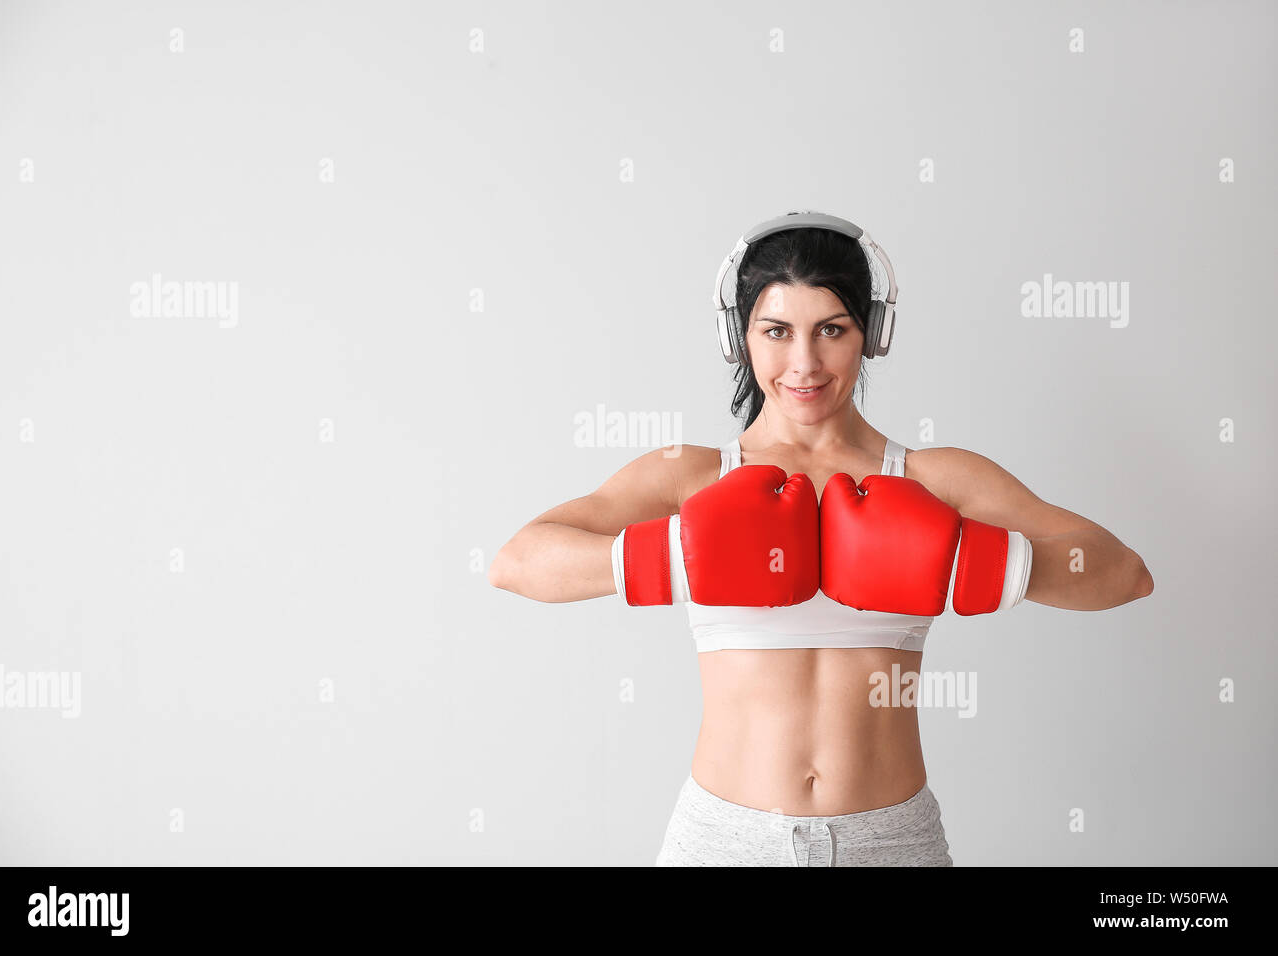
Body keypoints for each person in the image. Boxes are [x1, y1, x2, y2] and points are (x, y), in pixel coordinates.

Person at [488, 211, 1154, 866]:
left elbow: (1123, 575)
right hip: (723, 841)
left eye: (831, 330)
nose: (803, 363)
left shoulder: (932, 478)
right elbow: (518, 562)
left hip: (891, 842)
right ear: (738, 337)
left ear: (871, 334)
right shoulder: (692, 476)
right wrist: (675, 557)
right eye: (776, 331)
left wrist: (977, 562)